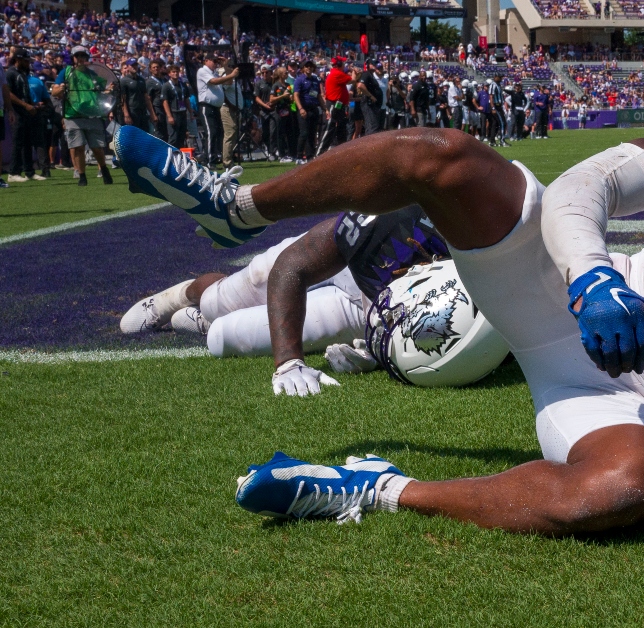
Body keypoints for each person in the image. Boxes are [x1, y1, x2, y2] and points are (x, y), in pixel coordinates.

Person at [114, 23, 644, 559]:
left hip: (641, 408)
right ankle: (238, 207)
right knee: (442, 157)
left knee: (624, 490)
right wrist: (596, 274)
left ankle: (375, 487)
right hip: (575, 304)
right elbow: (585, 190)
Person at [118, 205, 449, 395]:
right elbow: (294, 265)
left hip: (363, 311)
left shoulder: (492, 257)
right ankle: (186, 293)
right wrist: (289, 362)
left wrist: (381, 350)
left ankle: (206, 323)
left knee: (220, 338)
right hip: (347, 264)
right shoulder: (399, 212)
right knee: (218, 301)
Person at [51, 46, 113, 186]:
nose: (80, 58)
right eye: (77, 56)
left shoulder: (93, 74)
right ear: (73, 58)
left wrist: (109, 91)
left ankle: (103, 168)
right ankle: (82, 176)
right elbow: (54, 92)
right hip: (73, 115)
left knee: (97, 147)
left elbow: (105, 89)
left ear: (86, 58)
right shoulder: (66, 72)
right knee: (77, 146)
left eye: (83, 56)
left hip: (92, 114)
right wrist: (60, 88)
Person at [196, 53, 238, 167]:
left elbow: (228, 82)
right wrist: (232, 74)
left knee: (216, 133)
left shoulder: (214, 72)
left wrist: (226, 67)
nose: (216, 63)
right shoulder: (202, 71)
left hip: (215, 107)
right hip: (206, 105)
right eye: (214, 61)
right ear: (206, 61)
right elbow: (213, 81)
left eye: (217, 61)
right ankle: (209, 160)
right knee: (211, 133)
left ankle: (212, 157)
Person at [5, 48, 37, 183]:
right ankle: (13, 172)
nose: (27, 63)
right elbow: (9, 93)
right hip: (17, 111)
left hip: (26, 112)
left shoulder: (23, 73)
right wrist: (25, 105)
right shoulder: (10, 73)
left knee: (28, 142)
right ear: (18, 59)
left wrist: (32, 105)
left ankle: (29, 172)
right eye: (25, 60)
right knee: (17, 142)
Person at [292, 60, 322, 164]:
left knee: (312, 133)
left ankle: (310, 156)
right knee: (304, 133)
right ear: (303, 68)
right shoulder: (299, 80)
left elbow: (318, 95)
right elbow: (296, 95)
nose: (309, 68)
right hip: (304, 108)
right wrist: (300, 108)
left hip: (313, 108)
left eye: (310, 66)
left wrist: (325, 109)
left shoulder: (316, 80)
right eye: (307, 66)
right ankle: (299, 156)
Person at [119, 58, 155, 134]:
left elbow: (146, 97)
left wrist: (152, 113)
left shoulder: (141, 80)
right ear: (128, 67)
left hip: (142, 111)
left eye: (135, 65)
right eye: (132, 65)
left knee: (145, 133)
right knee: (133, 135)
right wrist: (126, 115)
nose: (134, 67)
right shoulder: (124, 81)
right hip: (132, 111)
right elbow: (123, 99)